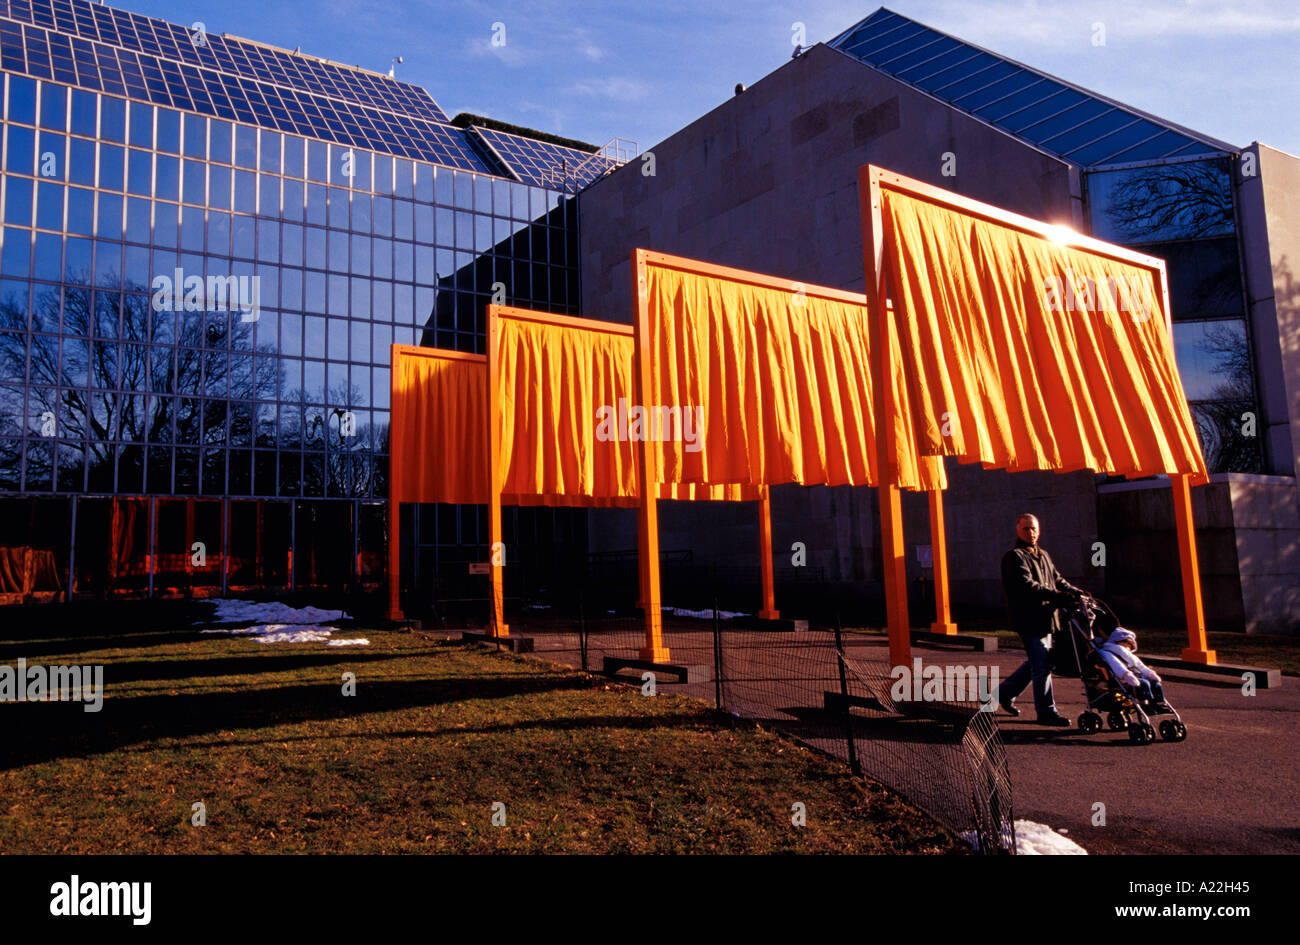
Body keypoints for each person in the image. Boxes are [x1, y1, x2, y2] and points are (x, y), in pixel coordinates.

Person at [993, 513, 1087, 726]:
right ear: (1018, 530)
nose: (1031, 533)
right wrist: (1058, 595)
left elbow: (1056, 578)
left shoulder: (1043, 555)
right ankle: (1046, 711)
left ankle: (1002, 694)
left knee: (1039, 662)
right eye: (1026, 529)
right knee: (1042, 665)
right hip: (1029, 619)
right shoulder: (1014, 557)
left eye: (1034, 528)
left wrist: (1075, 592)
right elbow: (1027, 585)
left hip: (1047, 619)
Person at [1097, 628, 1171, 711]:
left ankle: (1159, 702)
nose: (1128, 645)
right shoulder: (1108, 652)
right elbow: (1117, 665)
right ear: (1117, 641)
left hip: (1135, 676)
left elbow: (1140, 665)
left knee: (1155, 683)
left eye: (1130, 644)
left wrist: (1149, 673)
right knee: (1144, 683)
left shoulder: (1128, 655)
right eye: (1125, 642)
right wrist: (1127, 675)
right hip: (1122, 678)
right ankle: (1145, 704)